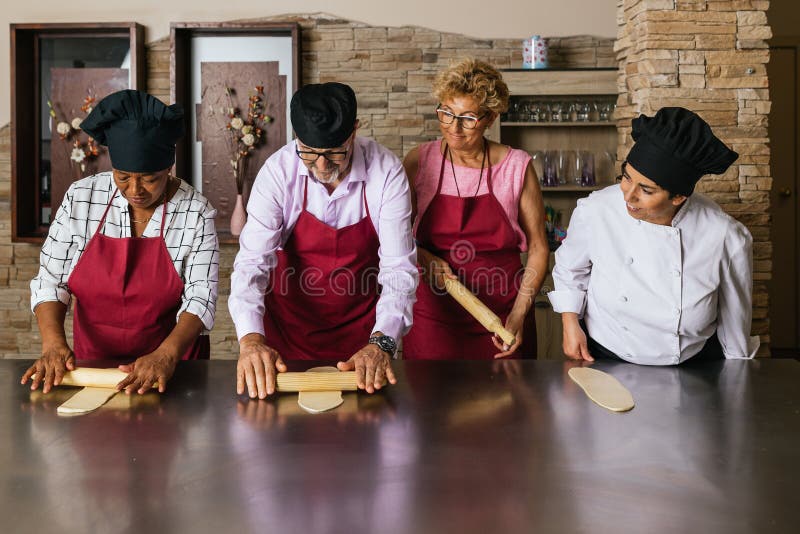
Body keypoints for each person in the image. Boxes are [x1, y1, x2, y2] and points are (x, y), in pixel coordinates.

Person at [22, 90, 219, 394]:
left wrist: (165, 356)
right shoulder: (81, 198)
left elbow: (201, 298)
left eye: (149, 178)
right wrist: (53, 345)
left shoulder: (195, 211)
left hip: (173, 371)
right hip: (94, 369)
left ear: (168, 167)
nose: (135, 189)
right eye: (122, 176)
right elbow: (50, 281)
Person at [229, 82, 418, 398]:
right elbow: (251, 264)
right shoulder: (277, 173)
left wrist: (381, 342)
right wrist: (251, 341)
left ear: (354, 131)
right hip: (287, 340)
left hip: (363, 345)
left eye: (334, 153)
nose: (321, 166)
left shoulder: (386, 172)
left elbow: (399, 269)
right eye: (309, 153)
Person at [549, 107, 760, 364]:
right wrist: (570, 323)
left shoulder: (724, 236)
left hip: (691, 366)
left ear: (679, 197)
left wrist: (737, 379)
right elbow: (570, 269)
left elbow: (735, 319)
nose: (627, 196)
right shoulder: (596, 210)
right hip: (605, 357)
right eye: (626, 178)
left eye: (646, 190)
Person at [401, 58, 549, 360]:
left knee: (509, 402)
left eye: (468, 118)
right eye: (446, 113)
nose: (453, 128)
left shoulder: (516, 166)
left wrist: (519, 314)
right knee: (428, 402)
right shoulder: (419, 161)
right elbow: (395, 235)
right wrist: (423, 255)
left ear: (490, 117)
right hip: (434, 313)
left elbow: (538, 248)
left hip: (504, 309)